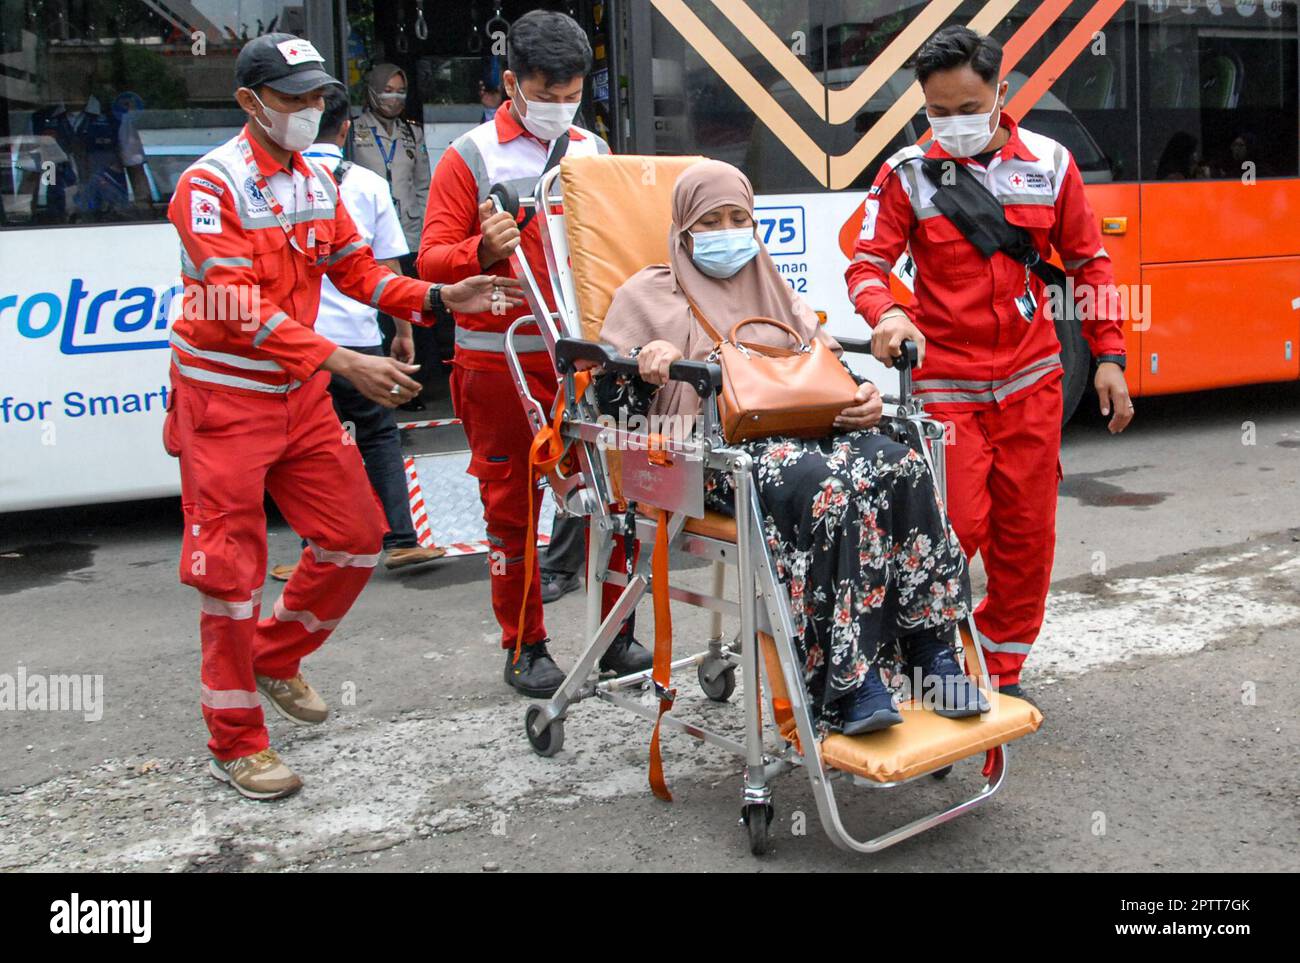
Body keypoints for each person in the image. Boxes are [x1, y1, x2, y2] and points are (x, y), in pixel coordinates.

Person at [165, 33, 518, 800]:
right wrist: (343, 360)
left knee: (358, 537)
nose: (309, 109)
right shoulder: (208, 185)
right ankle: (237, 741)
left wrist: (434, 298)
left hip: (297, 396)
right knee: (230, 576)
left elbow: (354, 270)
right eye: (292, 98)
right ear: (250, 104)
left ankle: (275, 652)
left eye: (317, 95)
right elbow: (236, 306)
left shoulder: (314, 180)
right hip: (224, 402)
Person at [598, 160, 981, 734]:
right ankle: (850, 682)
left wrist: (864, 397)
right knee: (827, 489)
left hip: (807, 435)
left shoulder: (776, 290)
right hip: (712, 455)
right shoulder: (648, 295)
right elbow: (613, 414)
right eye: (711, 220)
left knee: (901, 464)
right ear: (683, 228)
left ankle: (931, 652)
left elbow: (828, 371)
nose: (728, 230)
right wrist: (642, 369)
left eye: (739, 218)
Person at [844, 25, 1134, 700]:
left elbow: (1091, 262)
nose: (952, 124)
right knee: (955, 528)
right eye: (937, 112)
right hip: (946, 384)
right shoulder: (906, 174)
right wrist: (886, 312)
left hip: (1033, 380)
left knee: (1026, 538)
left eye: (967, 109)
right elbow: (867, 263)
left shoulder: (1052, 166)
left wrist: (1111, 355)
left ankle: (1000, 671)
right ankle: (922, 656)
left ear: (1001, 92)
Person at [418, 9, 652, 698]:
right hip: (498, 363)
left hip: (584, 361)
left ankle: (617, 636)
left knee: (621, 496)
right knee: (511, 511)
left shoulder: (594, 153)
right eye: (545, 90)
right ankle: (525, 646)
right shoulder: (470, 155)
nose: (558, 104)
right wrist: (482, 251)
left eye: (571, 90)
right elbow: (430, 260)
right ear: (512, 81)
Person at [265, 87, 445, 576]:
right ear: (346, 128)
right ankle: (402, 538)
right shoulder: (366, 183)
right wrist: (403, 331)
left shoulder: (272, 183)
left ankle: (314, 549)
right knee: (379, 436)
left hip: (300, 342)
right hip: (360, 336)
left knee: (307, 442)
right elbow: (386, 266)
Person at [349, 64, 440, 409]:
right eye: (388, 89)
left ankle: (414, 382)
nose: (395, 97)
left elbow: (422, 185)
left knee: (413, 306)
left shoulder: (411, 134)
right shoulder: (354, 131)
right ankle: (383, 384)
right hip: (369, 236)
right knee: (382, 309)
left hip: (409, 231)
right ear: (372, 91)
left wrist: (426, 229)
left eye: (400, 90)